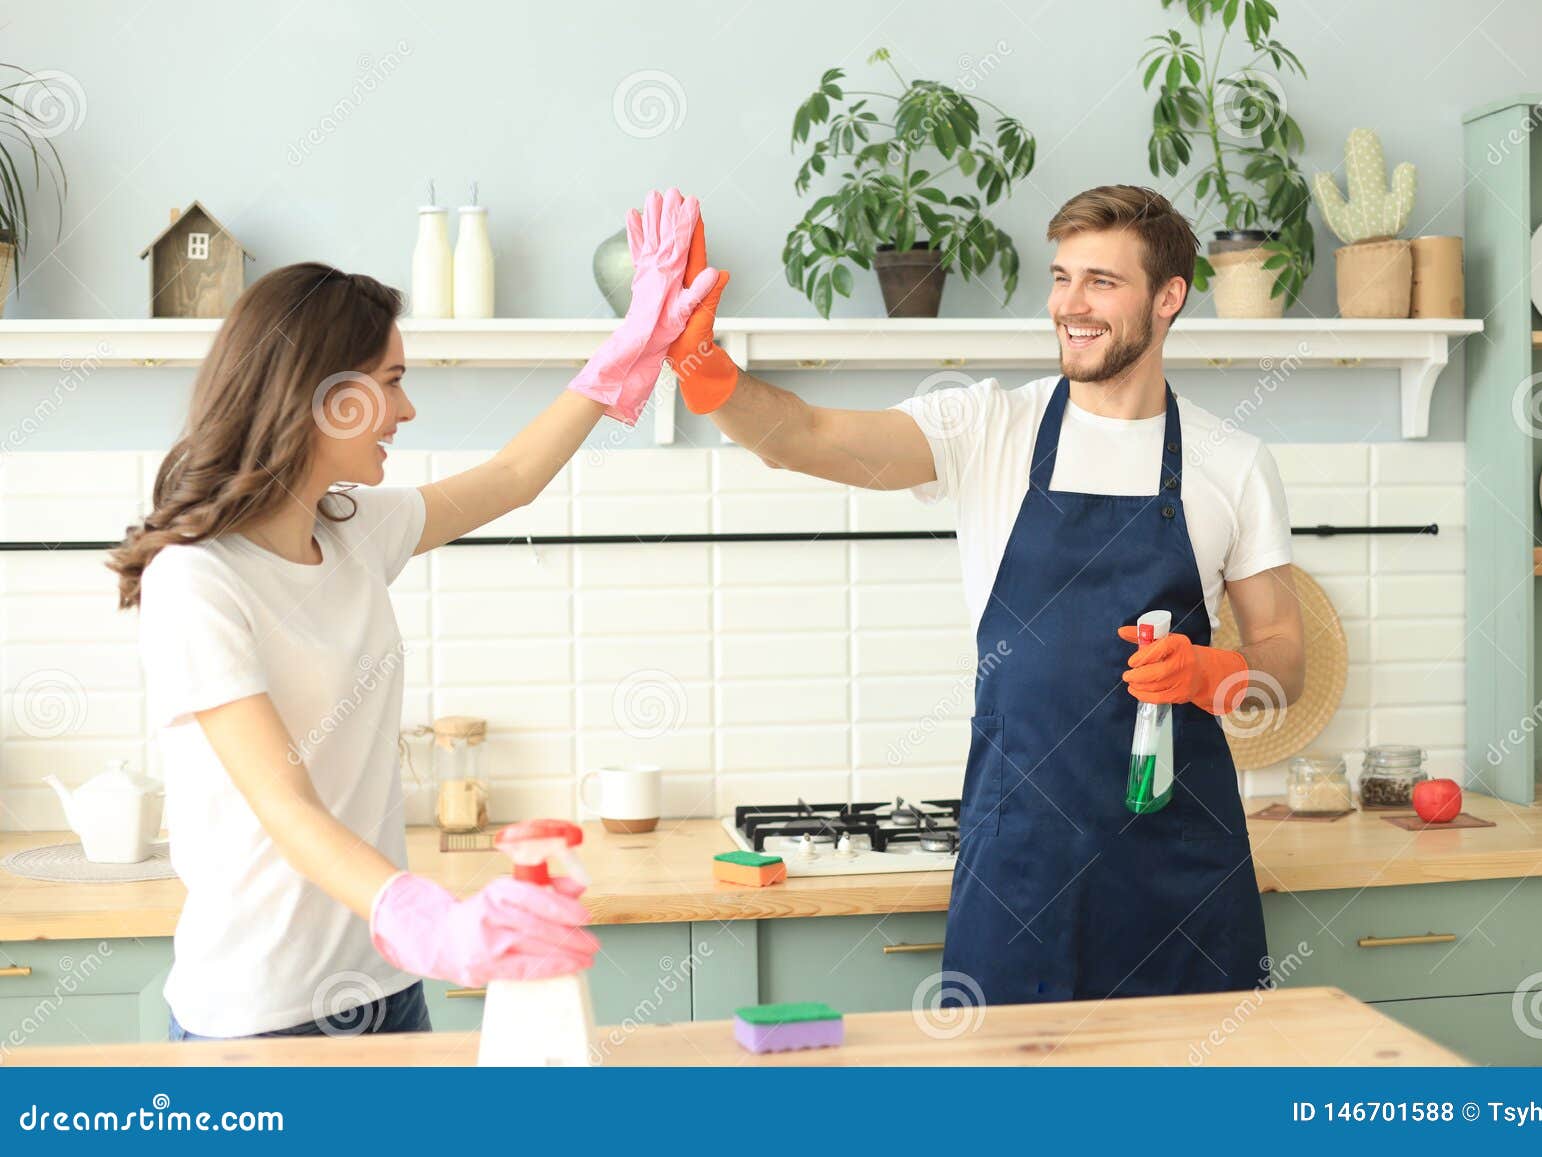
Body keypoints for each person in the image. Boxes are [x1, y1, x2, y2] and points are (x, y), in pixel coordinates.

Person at [667, 185, 1305, 1006]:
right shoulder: (988, 428)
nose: (1070, 305)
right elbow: (804, 438)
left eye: (1102, 282)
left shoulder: (1234, 461)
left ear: (1169, 297)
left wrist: (1207, 675)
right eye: (1062, 277)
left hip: (1181, 875)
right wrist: (700, 364)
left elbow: (1287, 660)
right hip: (1022, 874)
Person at [110, 189, 716, 1040]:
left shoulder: (353, 529)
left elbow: (510, 478)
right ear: (321, 396)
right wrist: (431, 916)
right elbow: (285, 805)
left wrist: (628, 347)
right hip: (260, 1018)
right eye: (392, 383)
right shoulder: (197, 582)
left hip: (389, 991)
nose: (406, 410)